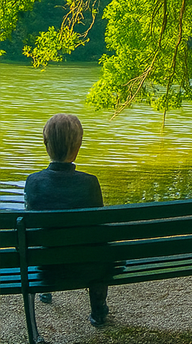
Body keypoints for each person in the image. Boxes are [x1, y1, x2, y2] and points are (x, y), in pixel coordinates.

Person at [23, 113, 110, 327]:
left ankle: (45, 290)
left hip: (46, 266)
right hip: (86, 265)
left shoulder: (33, 182)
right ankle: (98, 312)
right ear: (78, 146)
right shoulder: (90, 183)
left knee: (45, 241)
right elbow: (98, 230)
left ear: (46, 144)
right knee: (99, 252)